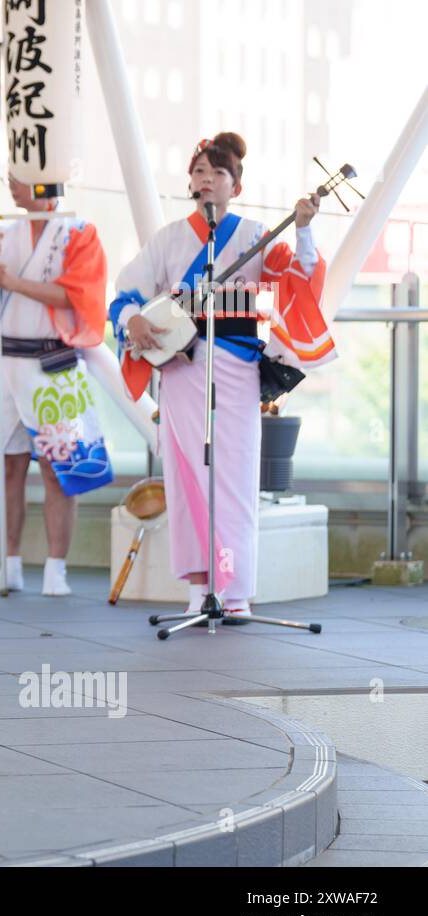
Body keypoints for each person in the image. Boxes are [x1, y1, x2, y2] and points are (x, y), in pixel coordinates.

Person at [110, 132, 334, 618]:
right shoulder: (169, 239)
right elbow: (125, 293)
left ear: (236, 184)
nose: (206, 180)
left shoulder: (255, 235)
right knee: (189, 476)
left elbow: (300, 274)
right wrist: (135, 320)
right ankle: (198, 586)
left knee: (233, 478)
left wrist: (302, 230)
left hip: (236, 369)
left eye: (217, 173)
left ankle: (233, 590)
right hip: (182, 368)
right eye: (199, 173)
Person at [0, 174, 113, 596]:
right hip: (6, 359)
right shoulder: (1, 233)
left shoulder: (78, 231)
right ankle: (9, 564)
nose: (13, 186)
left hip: (52, 362)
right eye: (10, 179)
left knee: (58, 468)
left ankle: (56, 566)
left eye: (20, 179)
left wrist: (15, 282)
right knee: (8, 465)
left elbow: (79, 296)